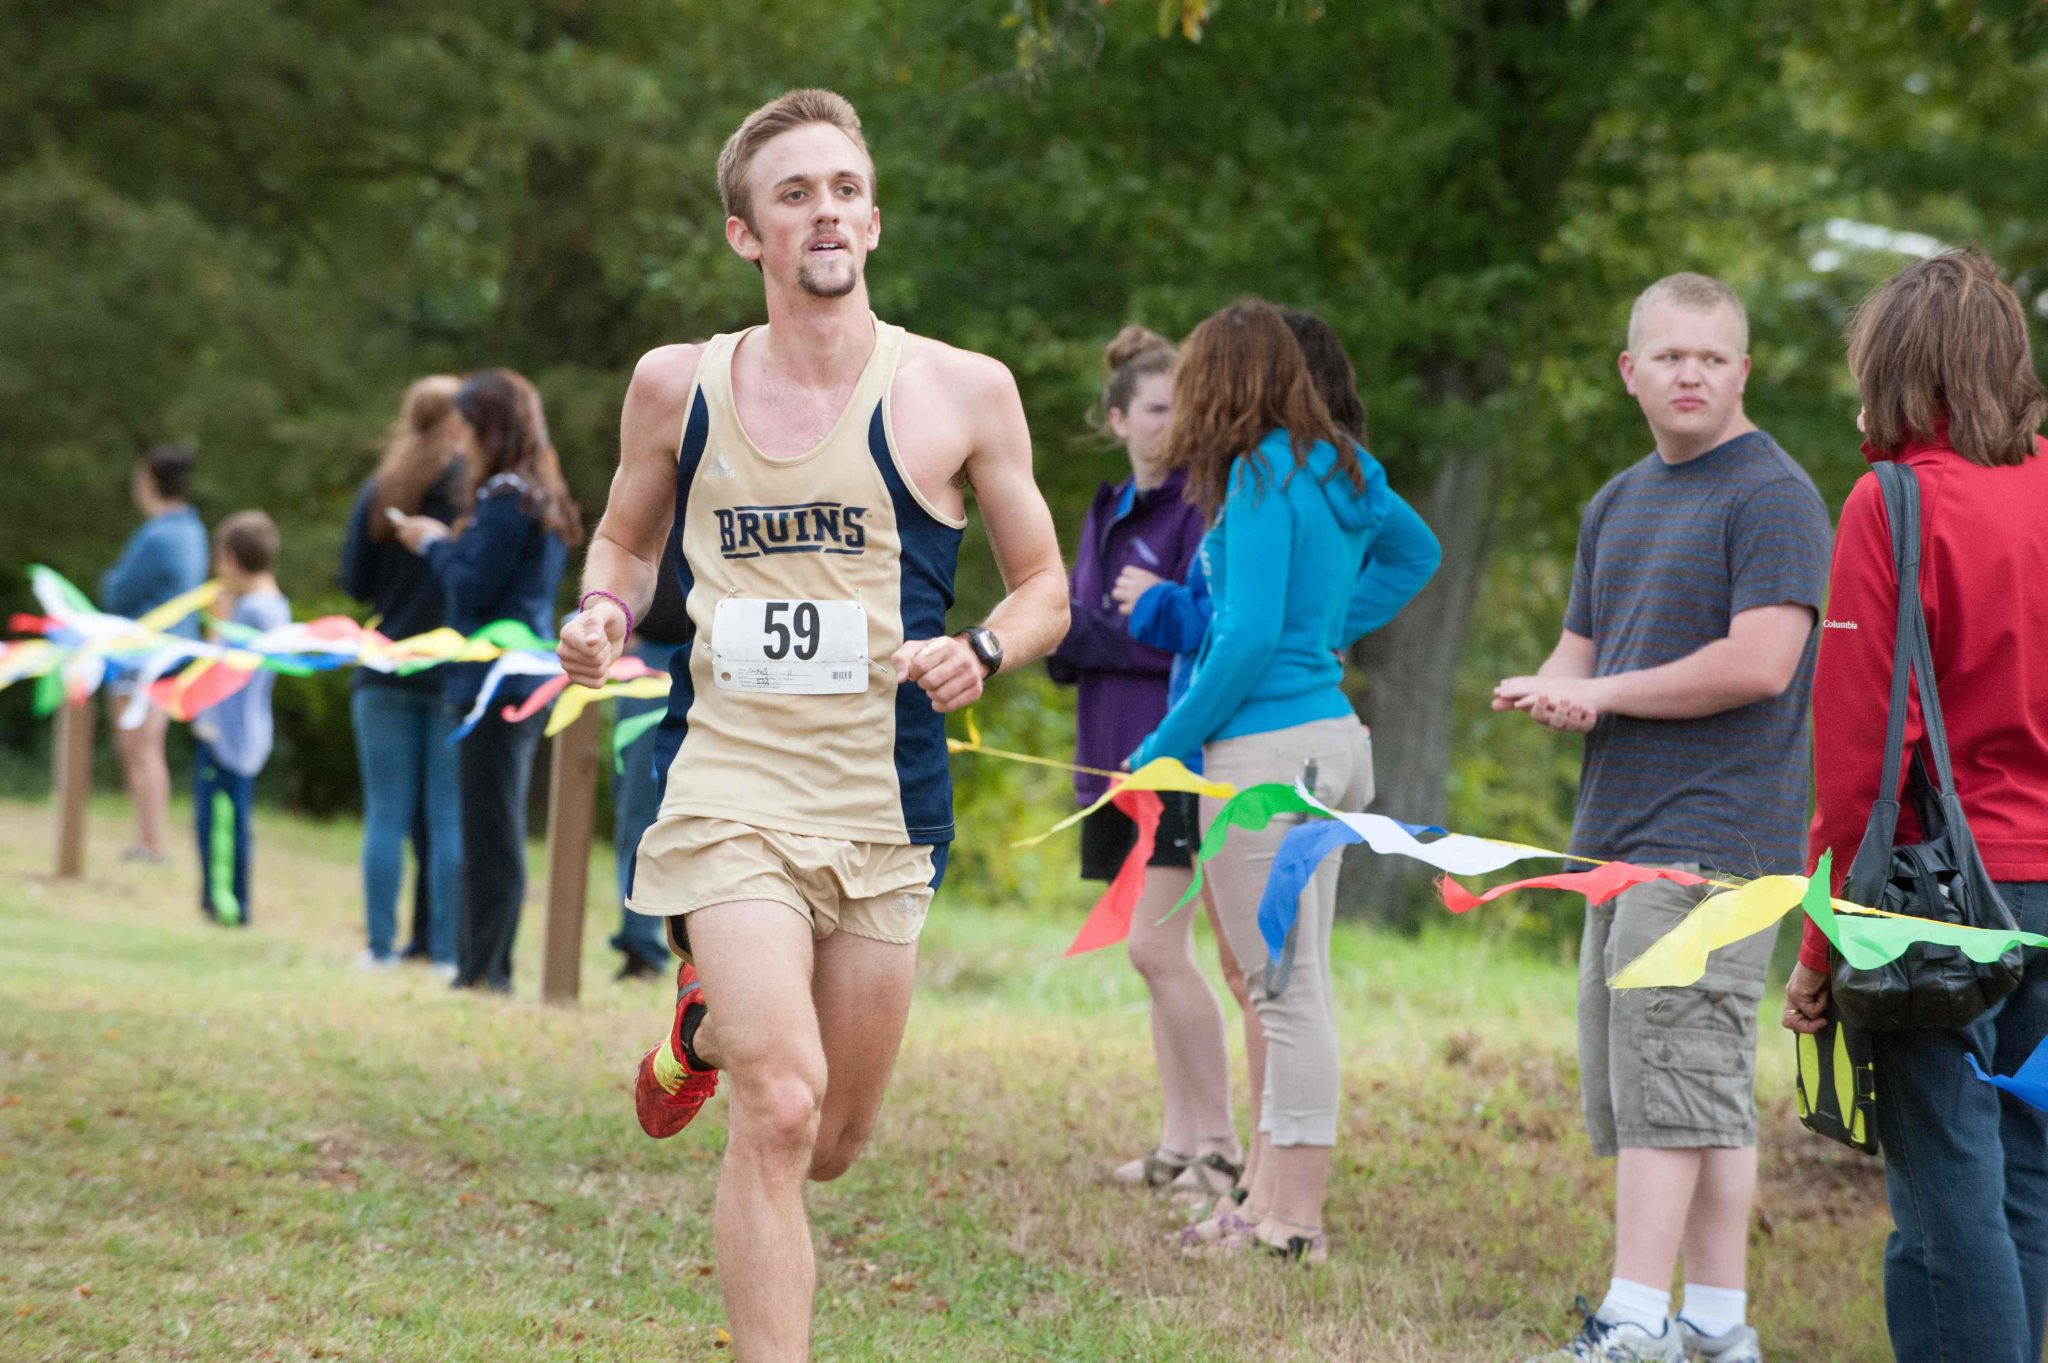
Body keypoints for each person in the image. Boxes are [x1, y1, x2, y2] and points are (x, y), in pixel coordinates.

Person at [556, 89, 1067, 1361]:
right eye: (793, 194)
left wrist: (980, 648)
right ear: (747, 235)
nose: (824, 212)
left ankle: (701, 1027)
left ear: (874, 220)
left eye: (843, 190)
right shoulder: (676, 386)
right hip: (724, 782)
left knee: (832, 1141)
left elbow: (1044, 589)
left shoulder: (962, 390)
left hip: (883, 800)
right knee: (778, 1108)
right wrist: (603, 613)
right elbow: (622, 542)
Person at [1498, 273, 1831, 1363]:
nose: (1691, 373)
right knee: (1690, 1083)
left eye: (1712, 357)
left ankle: (1634, 1318)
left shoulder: (1772, 494)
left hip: (1718, 843)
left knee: (1670, 1082)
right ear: (1628, 370)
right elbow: (1582, 652)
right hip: (1618, 835)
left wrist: (1600, 693)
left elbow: (1761, 661)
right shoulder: (1615, 501)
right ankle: (1717, 1324)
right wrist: (1550, 689)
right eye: (1670, 355)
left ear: (1743, 371)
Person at [1129, 297, 1439, 1264]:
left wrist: (1166, 743)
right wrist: (1330, 627)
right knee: (1295, 985)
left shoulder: (1261, 472)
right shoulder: (1341, 465)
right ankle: (1263, 1202)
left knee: (1284, 992)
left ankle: (1293, 1222)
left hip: (1267, 754)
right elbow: (1415, 551)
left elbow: (1246, 635)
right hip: (1329, 740)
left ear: (1227, 380)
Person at [1783, 251, 2048, 1363]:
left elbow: (1858, 766)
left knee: (1946, 1200)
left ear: (1891, 367)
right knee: (2024, 1178)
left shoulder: (1891, 502)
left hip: (1936, 905)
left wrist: (1817, 944)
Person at [1046, 325, 1240, 1196]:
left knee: (1157, 950)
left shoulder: (1206, 508)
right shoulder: (1108, 507)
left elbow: (1192, 639)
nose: (1175, 423)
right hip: (1108, 762)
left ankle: (1219, 1145)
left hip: (1177, 760)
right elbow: (1079, 630)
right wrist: (1081, 632)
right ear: (1119, 418)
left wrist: (1092, 630)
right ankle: (1178, 1141)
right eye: (1158, 408)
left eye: (1184, 407)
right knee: (1155, 956)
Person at [396, 369, 578, 995]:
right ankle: (481, 964)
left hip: (495, 681)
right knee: (490, 826)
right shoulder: (537, 494)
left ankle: (484, 971)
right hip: (518, 677)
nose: (459, 441)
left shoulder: (506, 496)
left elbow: (473, 586)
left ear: (490, 429)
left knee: (490, 831)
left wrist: (433, 546)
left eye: (466, 427)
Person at [340, 375, 467, 976]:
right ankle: (444, 953)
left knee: (385, 815)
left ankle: (379, 947)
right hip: (452, 670)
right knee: (447, 817)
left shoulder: (382, 488)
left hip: (386, 668)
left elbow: (355, 583)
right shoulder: (473, 491)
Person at [99, 443, 209, 863]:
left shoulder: (157, 535)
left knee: (137, 749)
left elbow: (117, 591)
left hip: (141, 657)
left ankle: (150, 842)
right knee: (150, 749)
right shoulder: (193, 530)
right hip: (173, 653)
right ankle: (150, 839)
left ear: (149, 482)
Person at [192, 512, 291, 927]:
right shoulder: (278, 604)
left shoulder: (250, 611)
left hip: (226, 735)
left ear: (231, 558)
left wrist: (217, 624)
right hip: (250, 730)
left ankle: (226, 905)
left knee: (219, 823)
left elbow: (221, 666)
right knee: (234, 820)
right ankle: (232, 903)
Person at [609, 555, 686, 981]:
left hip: (720, 662)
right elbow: (624, 552)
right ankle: (641, 944)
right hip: (650, 662)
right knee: (638, 813)